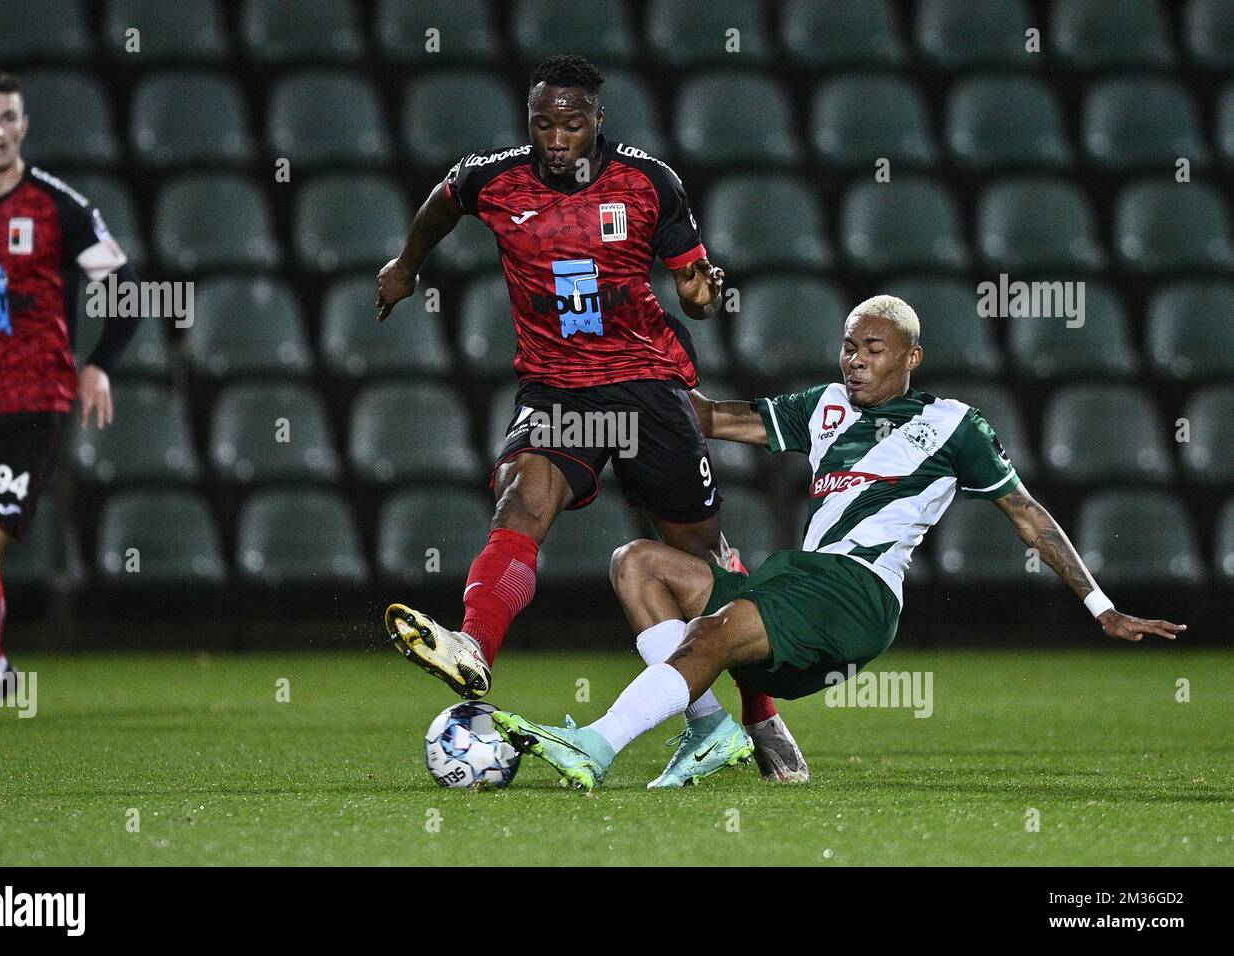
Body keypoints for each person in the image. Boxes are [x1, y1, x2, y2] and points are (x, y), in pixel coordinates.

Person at [490, 295, 1187, 790]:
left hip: (857, 593)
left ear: (911, 357)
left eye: (873, 350)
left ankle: (595, 747)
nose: (856, 361)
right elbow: (711, 418)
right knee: (637, 564)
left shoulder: (954, 424)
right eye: (849, 347)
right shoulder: (824, 405)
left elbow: (1028, 516)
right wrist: (638, 365)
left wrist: (1100, 607)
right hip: (801, 585)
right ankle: (709, 732)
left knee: (709, 633)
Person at [376, 54, 807, 781]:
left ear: (598, 120)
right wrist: (407, 263)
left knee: (702, 564)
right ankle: (475, 646)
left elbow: (695, 289)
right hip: (558, 391)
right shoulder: (493, 178)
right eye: (542, 123)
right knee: (521, 497)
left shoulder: (648, 183)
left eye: (571, 123)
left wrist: (704, 296)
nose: (556, 138)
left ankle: (760, 717)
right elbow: (442, 203)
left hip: (647, 388)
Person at [0, 70, 141, 728]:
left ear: (23, 126)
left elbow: (126, 288)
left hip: (34, 400)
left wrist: (98, 365)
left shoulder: (59, 207)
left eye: (8, 118)